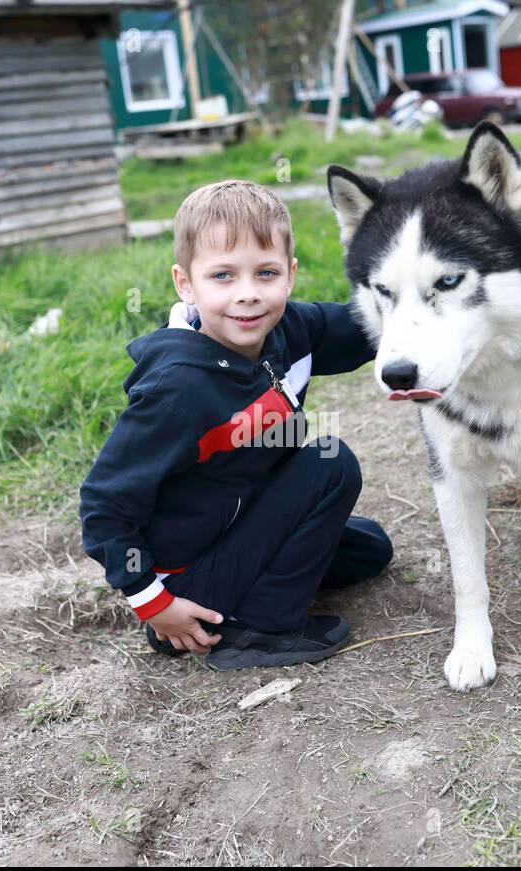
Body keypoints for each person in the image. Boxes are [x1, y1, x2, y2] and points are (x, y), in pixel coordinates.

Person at [77, 179, 393, 669]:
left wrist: (421, 306)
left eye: (265, 273)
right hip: (186, 578)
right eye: (222, 276)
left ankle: (256, 581)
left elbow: (364, 327)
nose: (248, 295)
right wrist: (155, 604)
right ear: (186, 283)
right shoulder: (177, 389)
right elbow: (104, 502)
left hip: (238, 520)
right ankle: (251, 629)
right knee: (331, 463)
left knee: (370, 550)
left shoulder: (287, 329)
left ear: (289, 275)